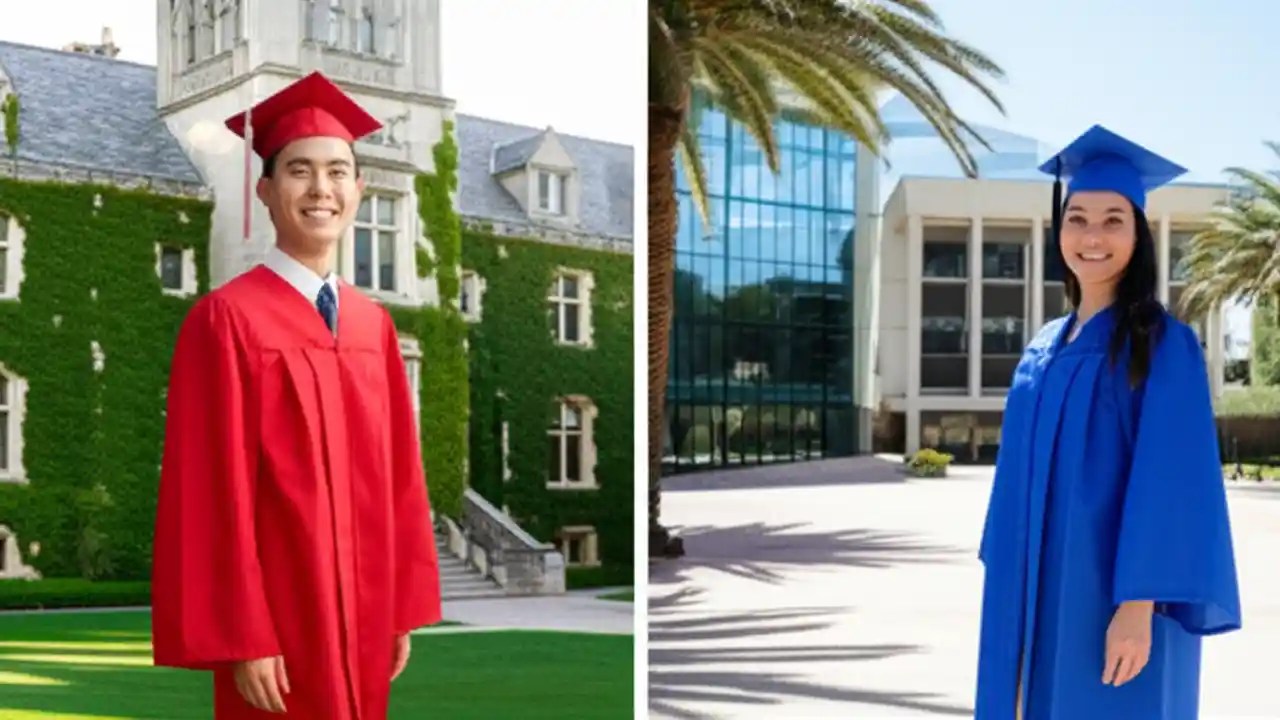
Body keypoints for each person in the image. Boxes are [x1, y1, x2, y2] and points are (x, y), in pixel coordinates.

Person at [150, 71, 442, 719]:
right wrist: (243, 632)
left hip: (366, 617)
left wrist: (400, 608)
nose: (321, 189)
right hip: (278, 626)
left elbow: (400, 479)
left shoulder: (374, 325)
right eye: (300, 170)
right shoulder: (225, 319)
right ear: (265, 189)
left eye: (338, 172)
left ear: (360, 190)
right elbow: (208, 493)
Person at [974, 125, 1242, 719]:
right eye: (1077, 218)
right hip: (1034, 582)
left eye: (1113, 219)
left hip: (1111, 591)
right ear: (1059, 229)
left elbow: (1173, 481)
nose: (1092, 236)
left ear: (1138, 234)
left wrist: (1138, 605)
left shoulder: (1161, 343)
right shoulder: (1044, 346)